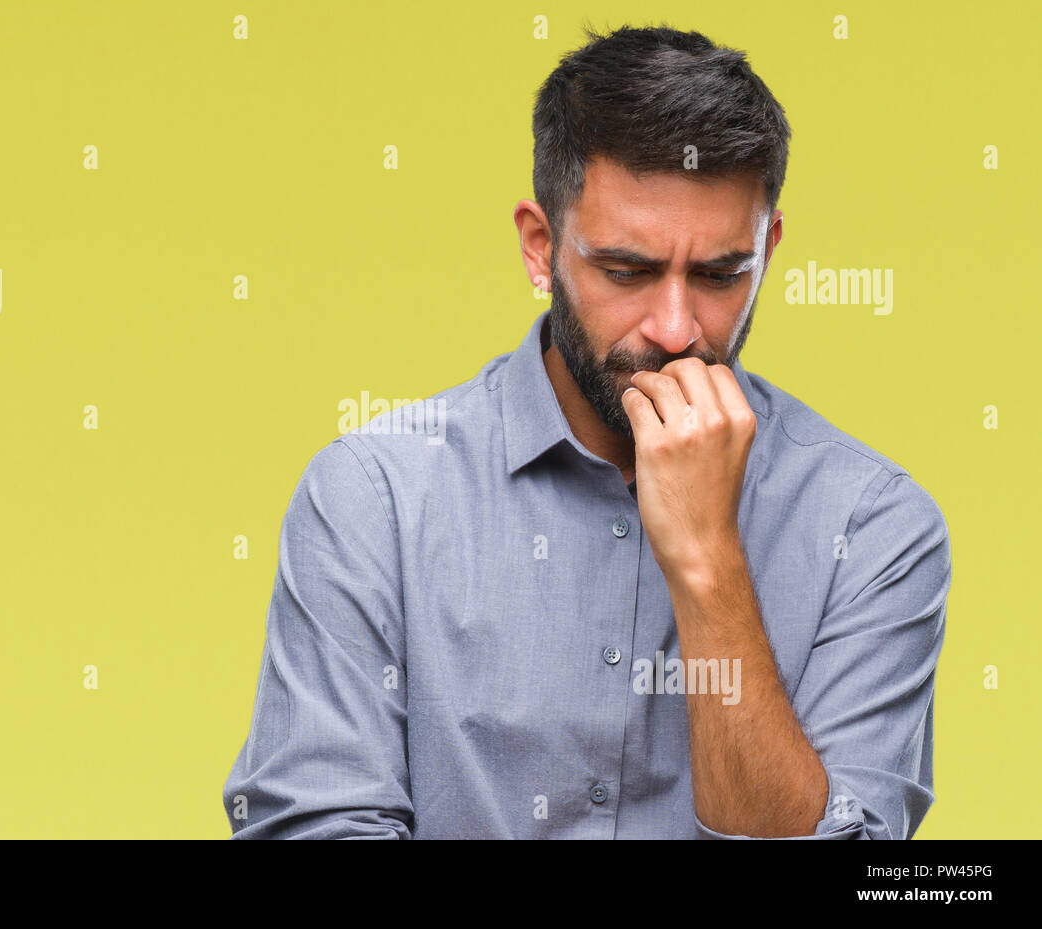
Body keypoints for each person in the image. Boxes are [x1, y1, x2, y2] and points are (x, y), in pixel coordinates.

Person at [222, 23, 951, 839]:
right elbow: (316, 826)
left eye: (719, 274)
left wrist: (709, 561)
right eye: (627, 271)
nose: (676, 328)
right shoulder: (373, 500)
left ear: (768, 250)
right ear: (540, 248)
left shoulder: (877, 527)